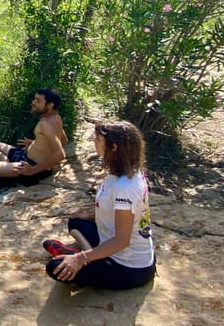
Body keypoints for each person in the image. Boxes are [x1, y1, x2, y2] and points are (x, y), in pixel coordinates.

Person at [42, 120, 156, 290]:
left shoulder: (125, 187)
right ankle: (91, 257)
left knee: (54, 268)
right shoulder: (124, 171)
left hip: (129, 268)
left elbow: (122, 241)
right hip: (114, 244)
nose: (93, 141)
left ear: (114, 147)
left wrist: (80, 259)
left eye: (98, 139)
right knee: (75, 222)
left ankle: (85, 257)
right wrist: (88, 217)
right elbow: (115, 212)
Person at [0, 87, 68, 181]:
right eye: (34, 99)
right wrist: (34, 144)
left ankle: (14, 173)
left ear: (50, 105)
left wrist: (32, 170)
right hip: (26, 156)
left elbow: (60, 154)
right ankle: (9, 168)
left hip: (31, 166)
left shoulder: (46, 124)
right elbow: (64, 140)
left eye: (38, 101)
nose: (33, 102)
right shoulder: (56, 117)